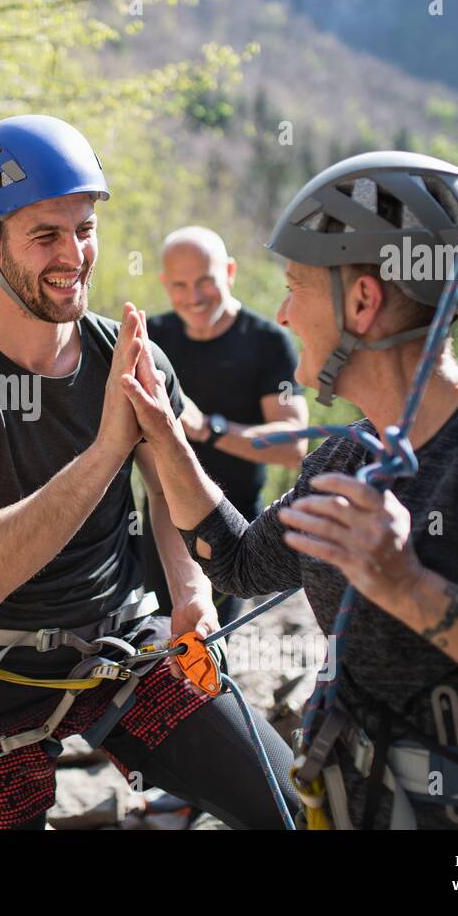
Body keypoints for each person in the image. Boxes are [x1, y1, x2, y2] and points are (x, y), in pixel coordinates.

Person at [119, 151, 458, 829]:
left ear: (361, 301)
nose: (283, 311)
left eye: (296, 286)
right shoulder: (346, 455)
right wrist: (165, 436)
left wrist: (412, 590)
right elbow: (238, 561)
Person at [0, 114, 297, 830]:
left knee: (290, 806)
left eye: (84, 229)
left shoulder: (129, 357)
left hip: (120, 649)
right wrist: (107, 447)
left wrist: (191, 594)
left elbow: (169, 494)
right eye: (45, 235)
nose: (74, 254)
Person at [142, 226, 308, 625]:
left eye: (205, 281)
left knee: (209, 659)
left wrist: (208, 429)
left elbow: (292, 445)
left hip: (233, 534)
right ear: (166, 284)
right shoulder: (154, 337)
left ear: (230, 272)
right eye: (180, 285)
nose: (194, 297)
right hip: (160, 524)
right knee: (152, 656)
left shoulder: (268, 343)